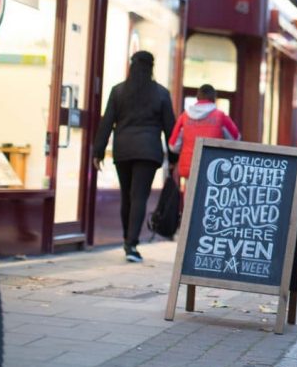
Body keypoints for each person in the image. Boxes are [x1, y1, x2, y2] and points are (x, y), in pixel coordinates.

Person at [92, 51, 176, 263]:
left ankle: (127, 240)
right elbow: (170, 128)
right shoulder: (161, 93)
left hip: (123, 151)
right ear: (151, 67)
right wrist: (174, 159)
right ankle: (131, 244)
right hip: (148, 153)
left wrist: (98, 151)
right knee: (139, 196)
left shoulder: (118, 91)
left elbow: (106, 122)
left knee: (127, 195)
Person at [169, 84, 241, 188]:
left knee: (190, 201)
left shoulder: (184, 117)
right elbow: (235, 139)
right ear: (213, 98)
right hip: (214, 168)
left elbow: (173, 146)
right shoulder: (221, 116)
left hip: (190, 168)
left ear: (197, 98)